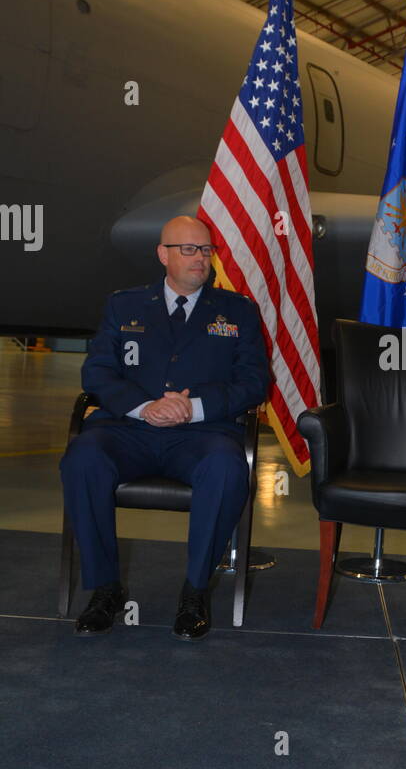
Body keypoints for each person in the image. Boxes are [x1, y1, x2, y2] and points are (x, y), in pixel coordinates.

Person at [60, 216, 269, 641]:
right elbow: (96, 373)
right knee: (82, 458)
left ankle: (195, 591)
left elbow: (253, 383)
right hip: (129, 429)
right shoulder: (124, 305)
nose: (201, 259)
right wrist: (143, 407)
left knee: (227, 469)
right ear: (163, 255)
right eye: (189, 249)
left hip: (202, 434)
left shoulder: (239, 311)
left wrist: (192, 408)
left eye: (206, 250)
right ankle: (106, 588)